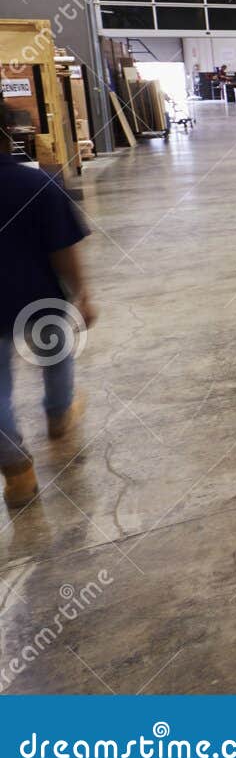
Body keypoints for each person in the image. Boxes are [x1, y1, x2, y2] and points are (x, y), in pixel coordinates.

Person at [1, 116, 95, 510]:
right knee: (55, 356)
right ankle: (58, 415)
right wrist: (82, 294)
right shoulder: (36, 185)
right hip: (39, 298)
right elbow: (63, 248)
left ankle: (16, 470)